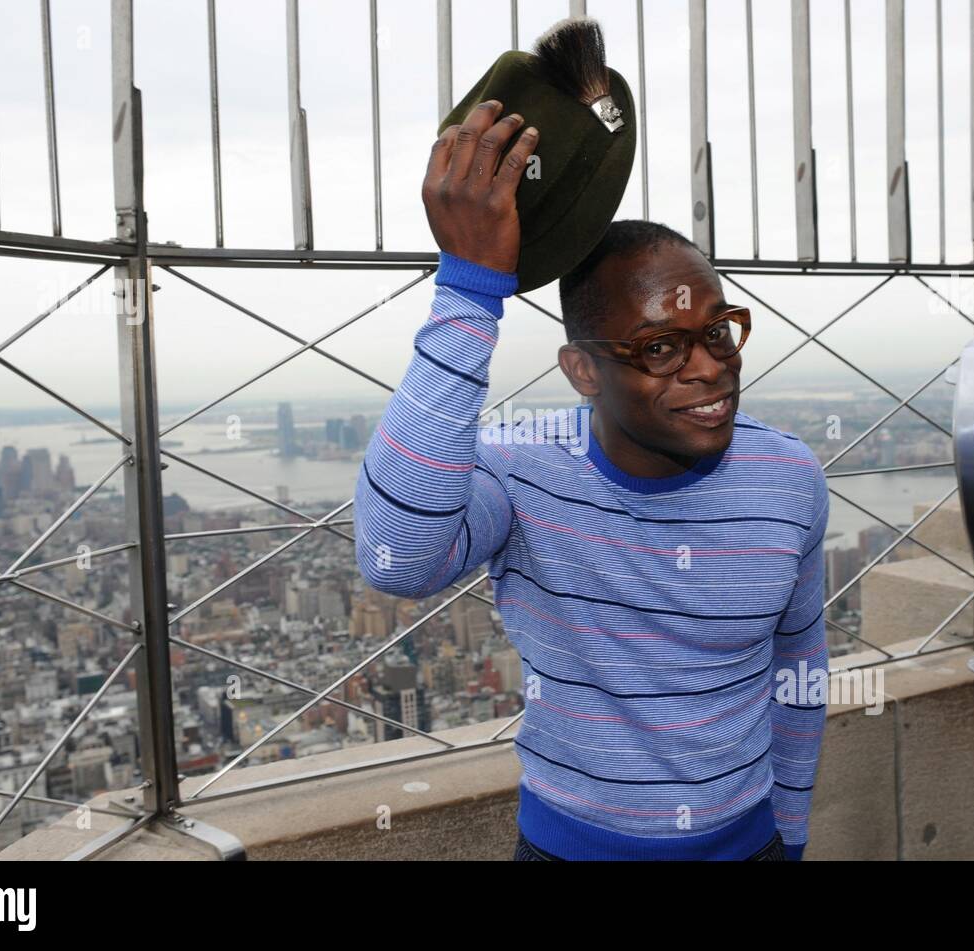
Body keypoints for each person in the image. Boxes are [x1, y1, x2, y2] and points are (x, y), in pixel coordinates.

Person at [354, 98, 829, 861]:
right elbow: (396, 557)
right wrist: (469, 289)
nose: (708, 365)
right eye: (659, 348)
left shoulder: (789, 479)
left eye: (715, 331)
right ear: (582, 370)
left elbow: (798, 666)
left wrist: (792, 838)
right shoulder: (523, 470)